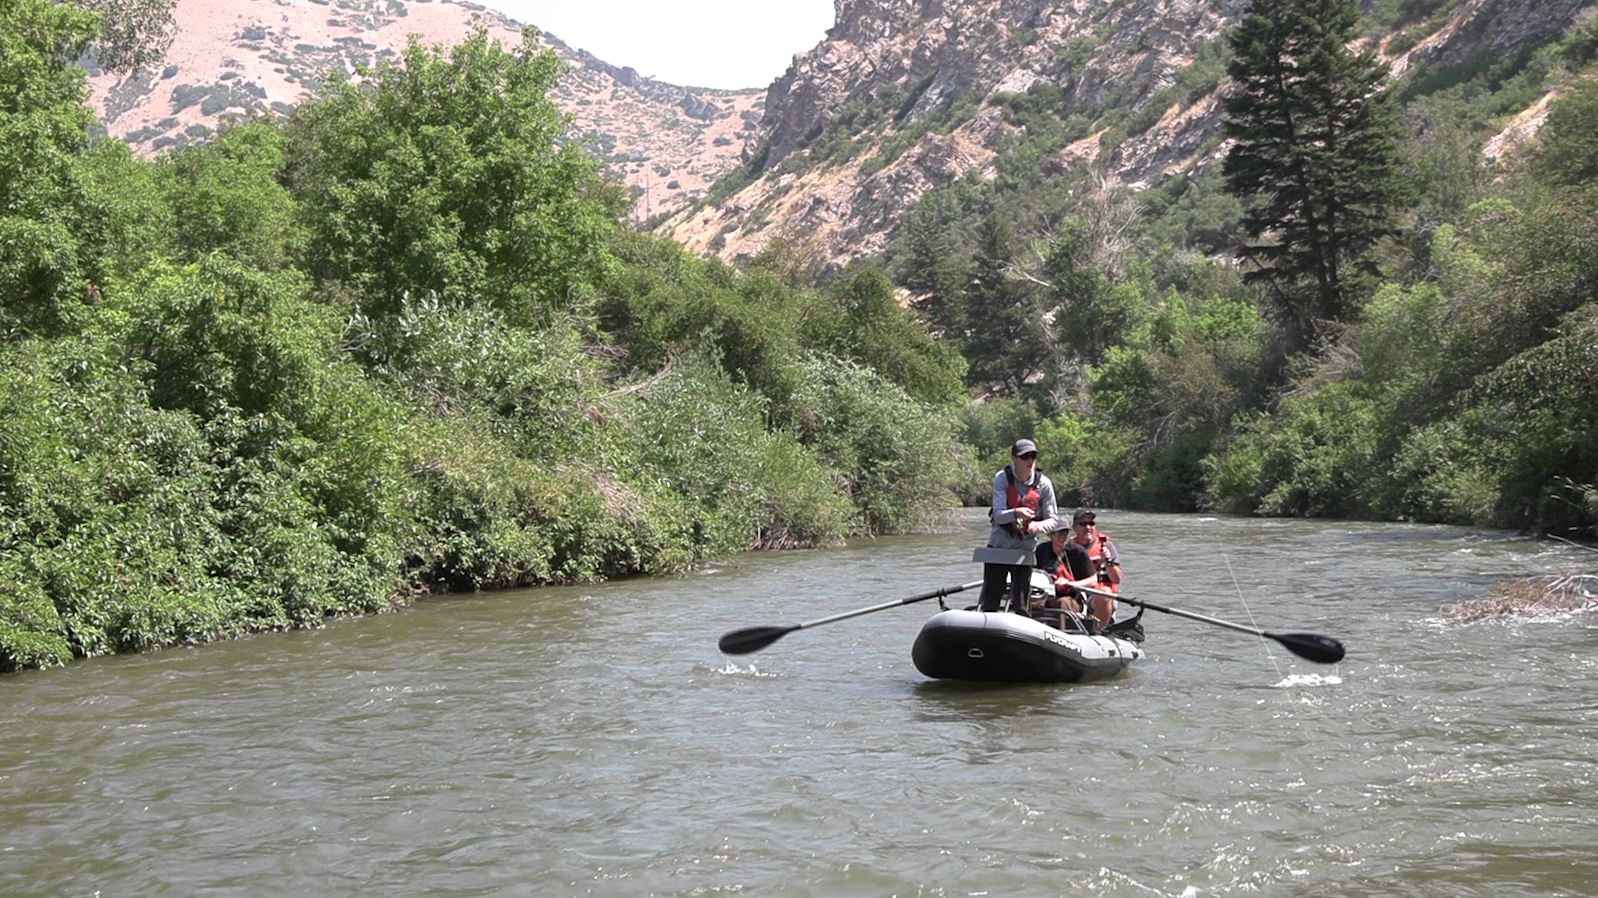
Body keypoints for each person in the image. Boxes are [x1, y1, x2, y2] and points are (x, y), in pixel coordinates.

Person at [978, 439, 1063, 613]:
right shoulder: (1002, 478)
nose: (1030, 461)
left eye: (1033, 456)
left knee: (1021, 605)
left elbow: (1053, 520)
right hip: (999, 547)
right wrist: (1017, 512)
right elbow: (999, 515)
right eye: (1025, 457)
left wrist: (1038, 526)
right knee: (991, 602)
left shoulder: (1043, 484)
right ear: (1014, 459)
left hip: (1025, 549)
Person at [1070, 510, 1122, 629]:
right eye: (1083, 524)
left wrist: (1108, 561)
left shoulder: (1106, 546)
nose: (1088, 527)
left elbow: (1117, 579)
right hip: (1077, 594)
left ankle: (1099, 630)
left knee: (1105, 593)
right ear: (1074, 527)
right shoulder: (1068, 546)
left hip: (1101, 595)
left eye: (1091, 524)